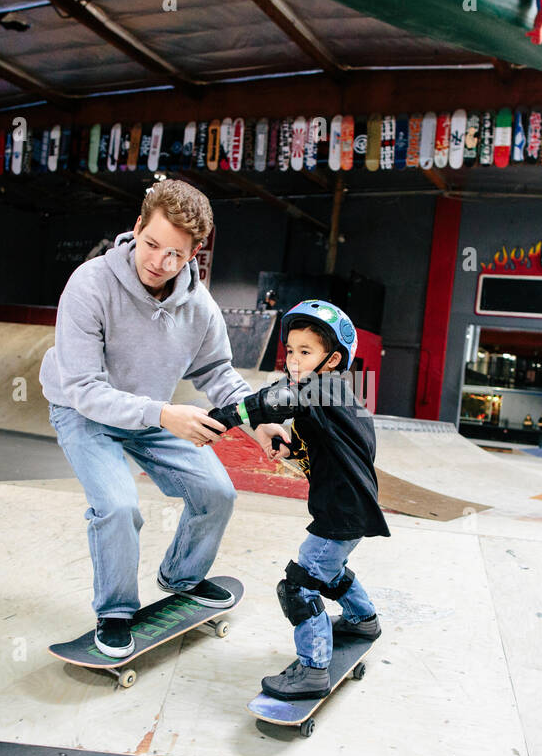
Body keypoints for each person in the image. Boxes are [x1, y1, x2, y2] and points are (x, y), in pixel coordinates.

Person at [39, 180, 289, 658]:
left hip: (152, 413)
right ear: (136, 228)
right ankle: (114, 611)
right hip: (84, 411)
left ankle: (183, 577)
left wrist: (258, 420)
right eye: (152, 245)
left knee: (217, 492)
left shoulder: (200, 308)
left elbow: (218, 372)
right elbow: (84, 389)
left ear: (195, 253)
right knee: (117, 507)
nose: (159, 262)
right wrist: (163, 413)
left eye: (176, 254)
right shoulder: (90, 285)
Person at [207, 299, 389, 700]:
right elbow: (335, 450)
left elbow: (270, 400)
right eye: (290, 351)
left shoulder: (320, 389)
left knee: (300, 587)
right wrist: (291, 450)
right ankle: (363, 620)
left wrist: (221, 419)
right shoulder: (340, 398)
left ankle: (313, 670)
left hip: (339, 513)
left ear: (332, 359)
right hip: (350, 509)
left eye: (305, 352)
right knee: (331, 571)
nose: (293, 360)